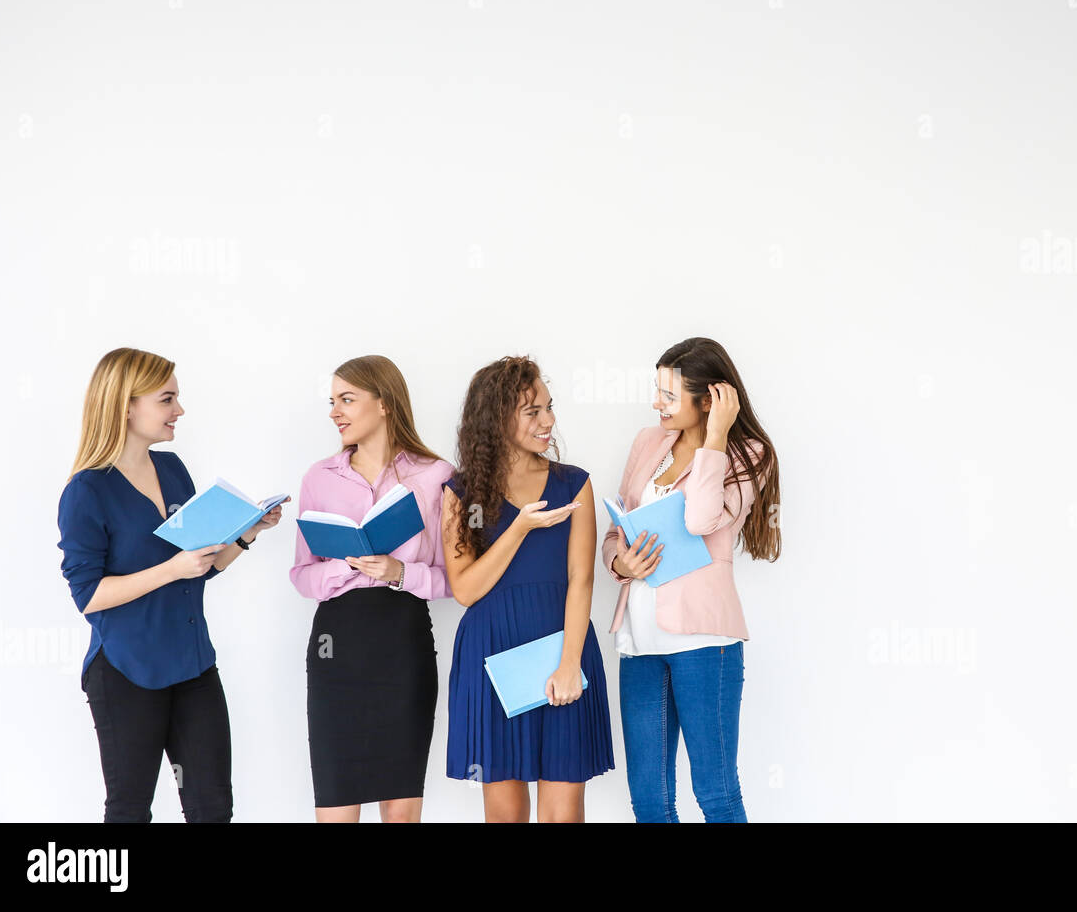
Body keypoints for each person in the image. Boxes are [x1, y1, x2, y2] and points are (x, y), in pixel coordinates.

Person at [57, 347, 287, 822]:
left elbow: (198, 566)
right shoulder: (86, 491)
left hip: (193, 664)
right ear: (126, 405)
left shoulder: (174, 469)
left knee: (212, 808)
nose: (179, 411)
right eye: (167, 400)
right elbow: (89, 595)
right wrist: (171, 570)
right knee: (130, 809)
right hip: (125, 669)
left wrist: (247, 532)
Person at [602, 337, 781, 822]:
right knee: (650, 800)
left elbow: (702, 520)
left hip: (704, 639)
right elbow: (616, 530)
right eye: (656, 390)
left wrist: (716, 438)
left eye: (669, 394)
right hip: (639, 640)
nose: (656, 404)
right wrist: (621, 562)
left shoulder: (748, 454)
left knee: (716, 792)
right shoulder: (647, 442)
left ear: (710, 399)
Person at [441, 355, 613, 822]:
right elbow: (465, 589)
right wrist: (519, 528)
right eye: (532, 410)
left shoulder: (574, 484)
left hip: (564, 652)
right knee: (506, 814)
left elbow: (582, 580)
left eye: (549, 407)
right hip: (492, 659)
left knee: (563, 814)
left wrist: (570, 665)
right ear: (497, 419)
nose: (549, 421)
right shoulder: (460, 494)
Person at [289, 355, 455, 823]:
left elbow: (453, 579)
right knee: (337, 810)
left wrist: (398, 572)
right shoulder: (318, 478)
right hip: (335, 652)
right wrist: (345, 569)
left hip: (403, 650)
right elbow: (301, 574)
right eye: (332, 401)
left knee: (400, 812)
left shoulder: (435, 475)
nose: (335, 412)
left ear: (384, 404)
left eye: (347, 399)